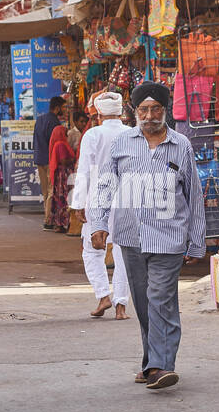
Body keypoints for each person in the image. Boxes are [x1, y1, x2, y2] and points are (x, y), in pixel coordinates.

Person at [87, 82, 206, 390]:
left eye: (156, 109)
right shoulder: (122, 144)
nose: (150, 116)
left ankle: (162, 366)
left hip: (170, 237)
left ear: (165, 112)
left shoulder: (181, 145)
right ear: (134, 112)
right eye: (144, 110)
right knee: (143, 302)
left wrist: (197, 241)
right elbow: (104, 185)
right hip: (131, 236)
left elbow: (193, 195)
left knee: (160, 299)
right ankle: (150, 361)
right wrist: (98, 223)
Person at [71, 91, 130, 320]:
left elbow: (84, 170)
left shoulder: (93, 135)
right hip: (127, 197)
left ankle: (104, 295)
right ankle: (121, 305)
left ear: (98, 115)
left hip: (98, 198)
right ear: (121, 113)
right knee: (123, 251)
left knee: (91, 251)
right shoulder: (132, 134)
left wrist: (77, 203)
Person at [35, 95, 66, 230]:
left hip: (39, 158)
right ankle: (48, 220)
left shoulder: (40, 119)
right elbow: (54, 143)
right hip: (49, 160)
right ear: (57, 107)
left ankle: (47, 217)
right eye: (63, 107)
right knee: (51, 190)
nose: (64, 110)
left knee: (45, 191)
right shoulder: (54, 123)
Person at [47, 123, 77, 233]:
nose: (67, 136)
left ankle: (59, 223)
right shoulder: (61, 144)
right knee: (64, 198)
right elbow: (64, 161)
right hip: (63, 175)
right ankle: (63, 222)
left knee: (60, 198)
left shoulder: (58, 144)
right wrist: (74, 159)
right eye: (65, 134)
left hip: (60, 175)